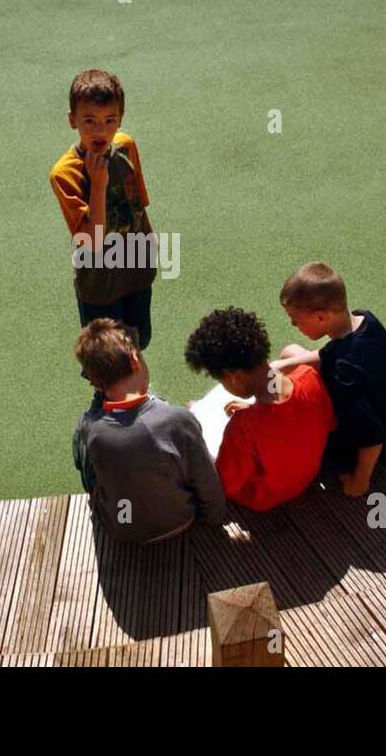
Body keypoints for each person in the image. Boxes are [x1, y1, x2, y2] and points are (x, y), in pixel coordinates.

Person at [71, 318, 225, 543]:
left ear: (94, 383)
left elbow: (89, 477)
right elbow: (206, 481)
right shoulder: (178, 420)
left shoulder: (88, 428)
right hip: (181, 519)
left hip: (124, 529)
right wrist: (214, 518)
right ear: (135, 360)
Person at [276, 262, 386, 497]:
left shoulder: (342, 375)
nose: (293, 325)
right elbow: (332, 354)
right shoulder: (364, 320)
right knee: (289, 353)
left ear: (320, 317)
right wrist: (282, 365)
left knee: (297, 400)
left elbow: (372, 436)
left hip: (368, 445)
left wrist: (359, 481)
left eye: (296, 320)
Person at [49, 69, 157, 354]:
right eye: (89, 121)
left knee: (138, 340)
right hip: (99, 281)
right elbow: (91, 241)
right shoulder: (65, 173)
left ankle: (137, 394)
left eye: (110, 120)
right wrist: (98, 185)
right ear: (72, 120)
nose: (100, 130)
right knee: (106, 355)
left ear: (120, 118)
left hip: (135, 267)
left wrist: (150, 244)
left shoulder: (126, 146)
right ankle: (107, 398)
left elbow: (137, 204)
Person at [184, 307, 334, 511]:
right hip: (307, 476)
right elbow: (323, 422)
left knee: (194, 422)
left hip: (264, 496)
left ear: (233, 377)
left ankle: (197, 410)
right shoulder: (309, 377)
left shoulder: (243, 427)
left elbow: (226, 485)